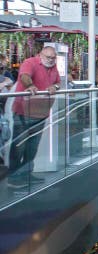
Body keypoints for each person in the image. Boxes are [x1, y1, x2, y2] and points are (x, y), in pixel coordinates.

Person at [7, 47, 61, 189]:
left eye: (53, 57)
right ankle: (13, 177)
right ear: (41, 55)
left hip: (41, 113)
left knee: (32, 147)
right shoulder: (30, 62)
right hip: (23, 112)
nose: (51, 60)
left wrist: (54, 86)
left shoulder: (54, 67)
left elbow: (58, 82)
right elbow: (24, 75)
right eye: (48, 57)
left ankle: (27, 173)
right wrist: (30, 85)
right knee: (19, 145)